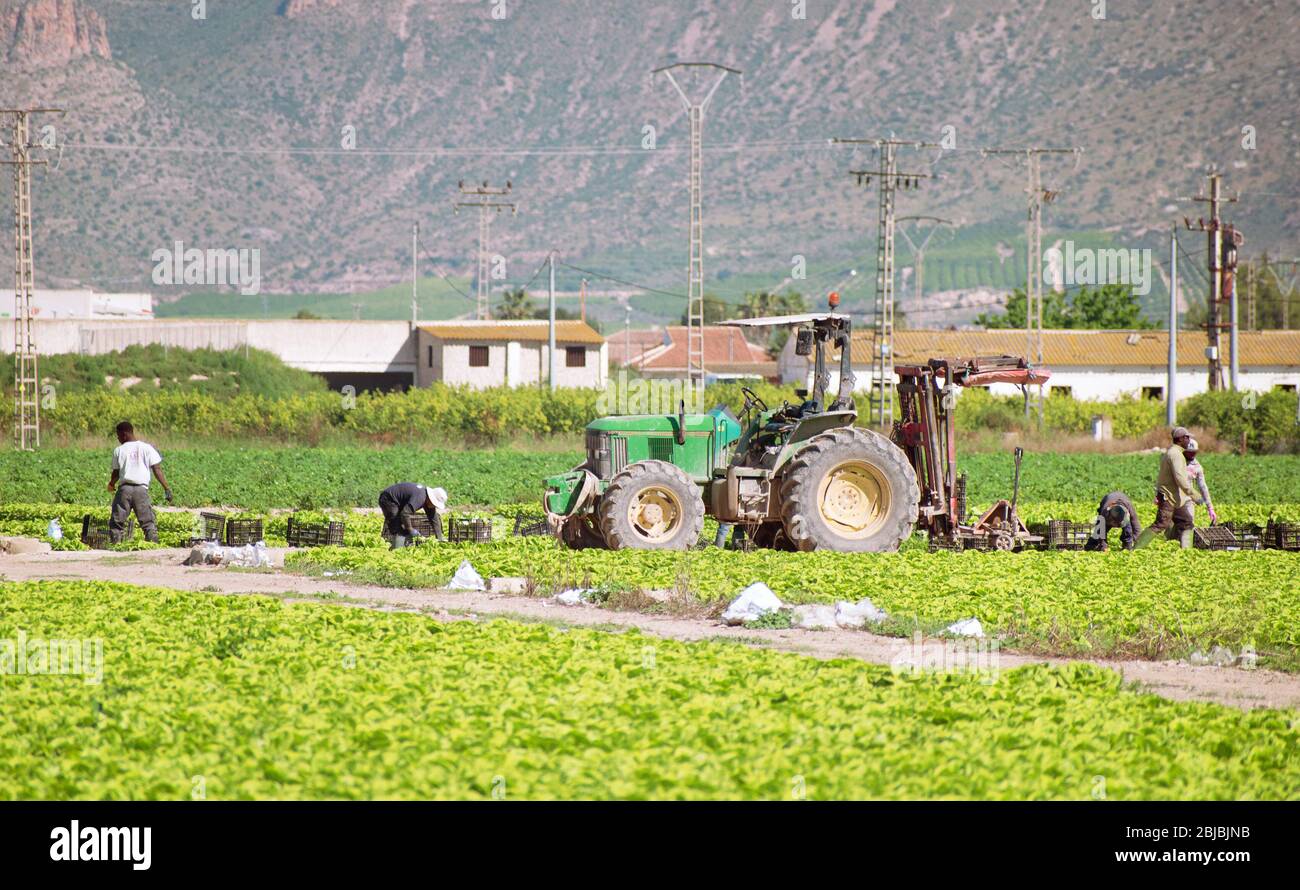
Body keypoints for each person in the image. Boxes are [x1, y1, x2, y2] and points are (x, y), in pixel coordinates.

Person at [1137, 426, 1202, 548]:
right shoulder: (1175, 455)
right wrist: (1194, 494)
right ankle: (1135, 549)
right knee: (1161, 524)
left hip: (1175, 497)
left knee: (1187, 523)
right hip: (1169, 497)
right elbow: (1180, 478)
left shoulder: (1174, 452)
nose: (1189, 440)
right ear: (1181, 439)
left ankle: (1186, 551)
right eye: (1187, 437)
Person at [108, 421, 172, 543]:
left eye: (118, 435)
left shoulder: (119, 450)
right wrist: (166, 488)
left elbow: (116, 473)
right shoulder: (147, 448)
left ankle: (116, 545)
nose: (118, 438)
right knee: (148, 522)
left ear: (124, 434)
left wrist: (111, 484)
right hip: (141, 491)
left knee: (117, 522)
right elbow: (157, 469)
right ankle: (152, 546)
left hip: (124, 491)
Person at [378, 482, 447, 549]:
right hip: (388, 499)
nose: (434, 506)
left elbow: (434, 519)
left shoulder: (426, 500)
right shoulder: (420, 498)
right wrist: (410, 529)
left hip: (397, 502)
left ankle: (402, 545)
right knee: (396, 524)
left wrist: (439, 537)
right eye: (435, 504)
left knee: (402, 526)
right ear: (431, 499)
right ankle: (396, 549)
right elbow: (405, 514)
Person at [1180, 438, 1217, 527]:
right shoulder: (1176, 462)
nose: (1192, 455)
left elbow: (1203, 487)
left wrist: (1210, 507)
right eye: (1190, 452)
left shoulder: (1197, 467)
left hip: (1187, 500)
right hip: (1172, 498)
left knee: (1189, 524)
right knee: (1170, 528)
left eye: (1194, 452)